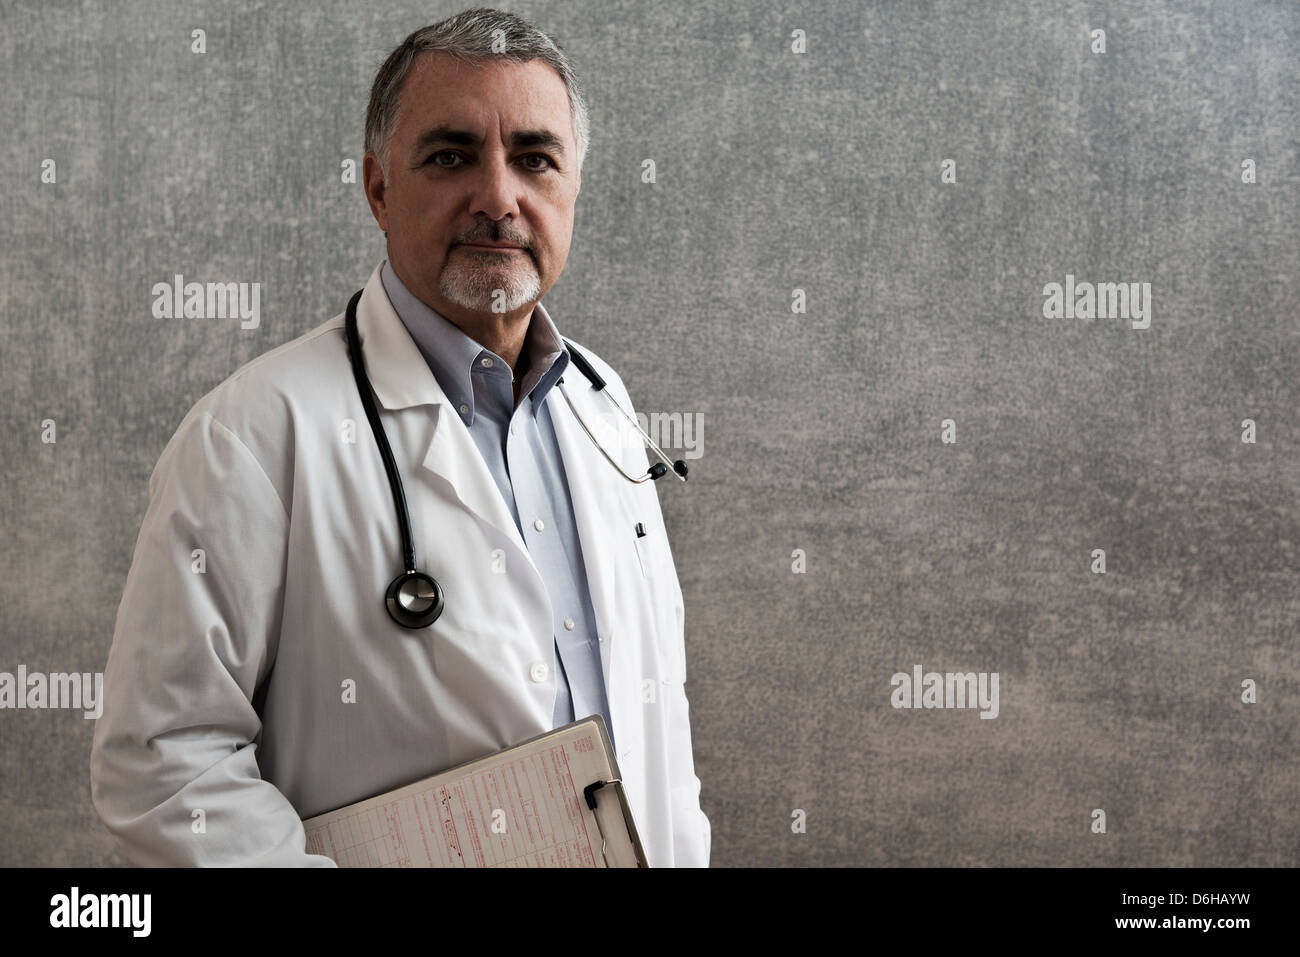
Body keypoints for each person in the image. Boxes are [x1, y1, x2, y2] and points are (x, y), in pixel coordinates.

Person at [90, 8, 709, 868]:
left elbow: (658, 737)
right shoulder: (252, 436)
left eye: (535, 158)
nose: (499, 197)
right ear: (379, 188)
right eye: (452, 156)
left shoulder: (603, 408)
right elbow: (162, 770)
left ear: (574, 186)